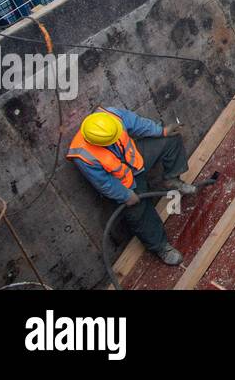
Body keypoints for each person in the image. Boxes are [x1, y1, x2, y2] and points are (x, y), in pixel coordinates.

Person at [67, 107, 196, 266]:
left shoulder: (111, 115)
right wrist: (125, 195)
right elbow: (104, 183)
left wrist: (161, 131)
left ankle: (171, 179)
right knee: (139, 214)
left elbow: (138, 124)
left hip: (136, 160)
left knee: (171, 139)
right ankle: (161, 247)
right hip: (124, 183)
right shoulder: (83, 155)